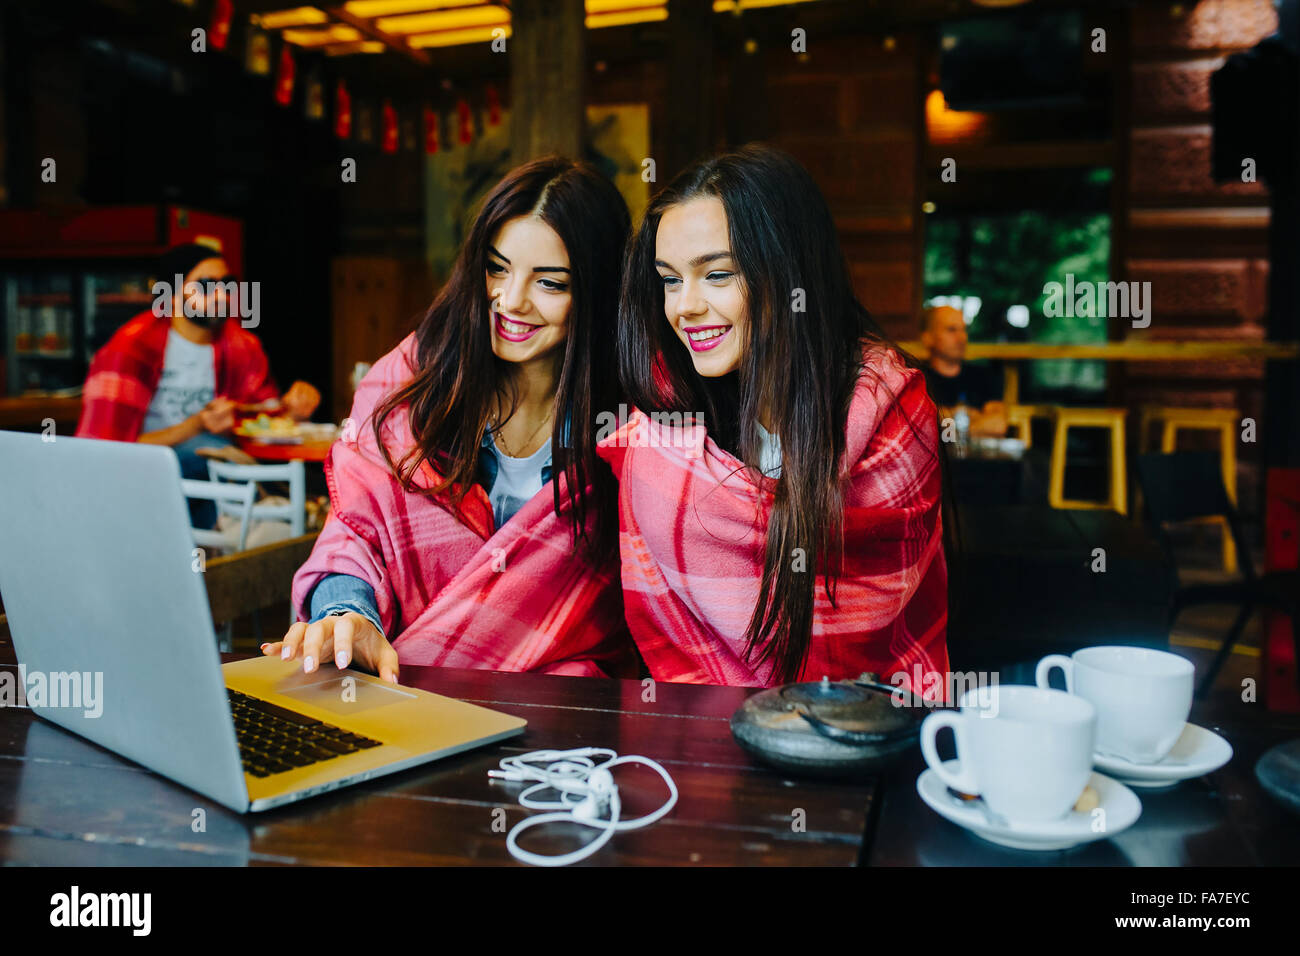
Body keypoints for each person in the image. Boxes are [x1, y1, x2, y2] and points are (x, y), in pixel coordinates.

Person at [265, 157, 636, 684]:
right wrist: (347, 616)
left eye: (550, 283)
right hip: (399, 697)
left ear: (599, 294)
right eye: (497, 268)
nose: (510, 300)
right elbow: (353, 533)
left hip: (562, 724)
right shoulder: (414, 382)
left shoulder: (633, 424)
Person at [597, 144, 949, 694]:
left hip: (871, 732)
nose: (682, 307)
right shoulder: (663, 429)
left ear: (790, 274)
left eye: (716, 275)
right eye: (669, 279)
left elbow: (870, 631)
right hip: (700, 733)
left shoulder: (892, 414)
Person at [75, 243, 321, 525]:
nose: (221, 295)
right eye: (205, 285)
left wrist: (291, 412)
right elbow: (103, 451)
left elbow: (260, 421)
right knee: (208, 451)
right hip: (137, 478)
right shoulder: (131, 348)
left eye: (227, 285)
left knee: (218, 456)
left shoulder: (242, 347)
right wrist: (195, 425)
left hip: (215, 479)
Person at [919, 303, 1007, 438]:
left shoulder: (984, 376)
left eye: (964, 330)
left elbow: (997, 426)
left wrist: (945, 419)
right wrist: (971, 416)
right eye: (951, 329)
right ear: (928, 338)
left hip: (978, 459)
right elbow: (918, 425)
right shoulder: (916, 379)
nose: (962, 338)